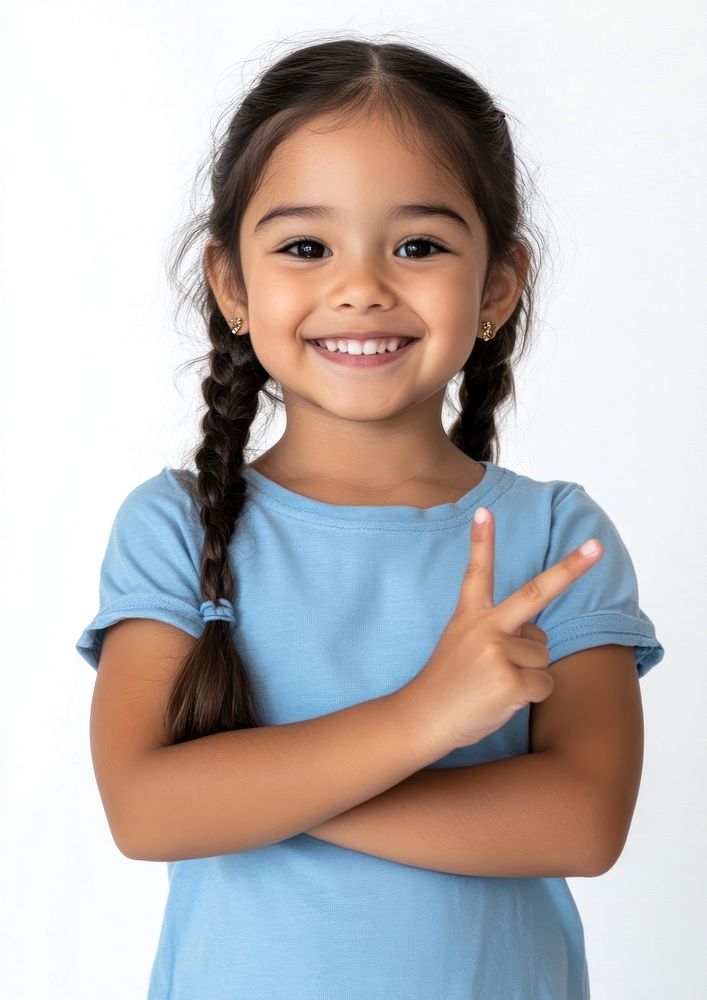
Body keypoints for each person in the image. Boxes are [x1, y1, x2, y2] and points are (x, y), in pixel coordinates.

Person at [75, 36, 665, 1000]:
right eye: (306, 246)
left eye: (419, 245)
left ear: (498, 285)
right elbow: (146, 811)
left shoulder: (557, 537)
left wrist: (254, 794)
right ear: (232, 285)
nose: (362, 286)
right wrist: (421, 717)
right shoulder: (176, 528)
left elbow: (582, 824)